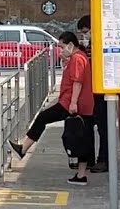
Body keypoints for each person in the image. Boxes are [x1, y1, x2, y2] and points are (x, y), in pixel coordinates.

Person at [9, 31, 93, 185]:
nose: (60, 50)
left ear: (70, 45)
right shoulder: (78, 57)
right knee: (83, 138)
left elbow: (77, 82)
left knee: (43, 118)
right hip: (79, 103)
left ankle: (23, 149)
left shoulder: (77, 59)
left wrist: (73, 102)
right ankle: (81, 175)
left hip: (71, 103)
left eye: (61, 47)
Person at [75, 15, 108, 173]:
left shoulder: (101, 44)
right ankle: (89, 159)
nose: (84, 36)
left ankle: (103, 160)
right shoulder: (87, 47)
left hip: (101, 91)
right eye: (82, 33)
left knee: (103, 127)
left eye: (86, 32)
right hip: (90, 92)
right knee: (87, 126)